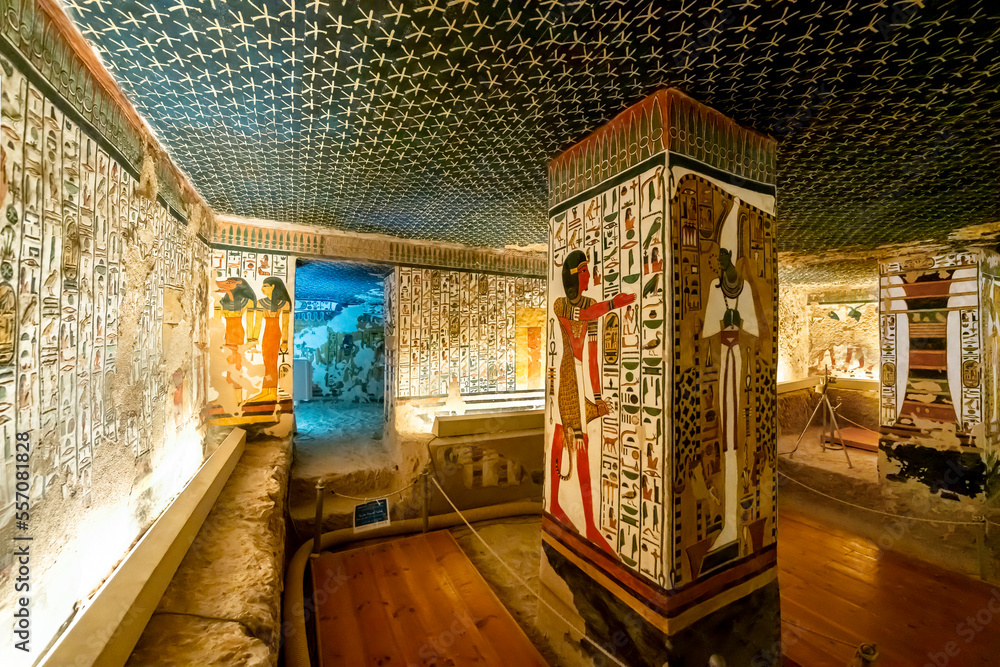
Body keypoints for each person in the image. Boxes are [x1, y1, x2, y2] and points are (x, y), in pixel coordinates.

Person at [550, 249, 635, 556]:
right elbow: (585, 316)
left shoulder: (589, 305)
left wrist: (597, 398)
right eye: (584, 271)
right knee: (573, 438)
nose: (589, 275)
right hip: (567, 377)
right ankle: (582, 521)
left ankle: (569, 511)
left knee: (563, 433)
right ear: (573, 277)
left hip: (581, 377)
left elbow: (593, 355)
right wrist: (613, 304)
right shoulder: (562, 305)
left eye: (589, 270)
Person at [216, 277, 256, 408]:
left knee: (235, 368)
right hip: (227, 336)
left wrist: (251, 341)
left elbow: (250, 323)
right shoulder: (221, 302)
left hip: (238, 336)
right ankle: (232, 400)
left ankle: (238, 400)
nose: (226, 284)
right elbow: (217, 322)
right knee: (229, 368)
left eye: (230, 283)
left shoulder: (246, 302)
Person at [249, 276, 291, 401]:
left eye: (265, 286)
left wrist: (285, 342)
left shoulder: (284, 304)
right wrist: (254, 339)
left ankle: (271, 392)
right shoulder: (261, 303)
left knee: (272, 363)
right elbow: (258, 323)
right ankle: (266, 390)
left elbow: (285, 324)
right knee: (267, 363)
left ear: (273, 287)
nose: (262, 288)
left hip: (275, 334)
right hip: (266, 334)